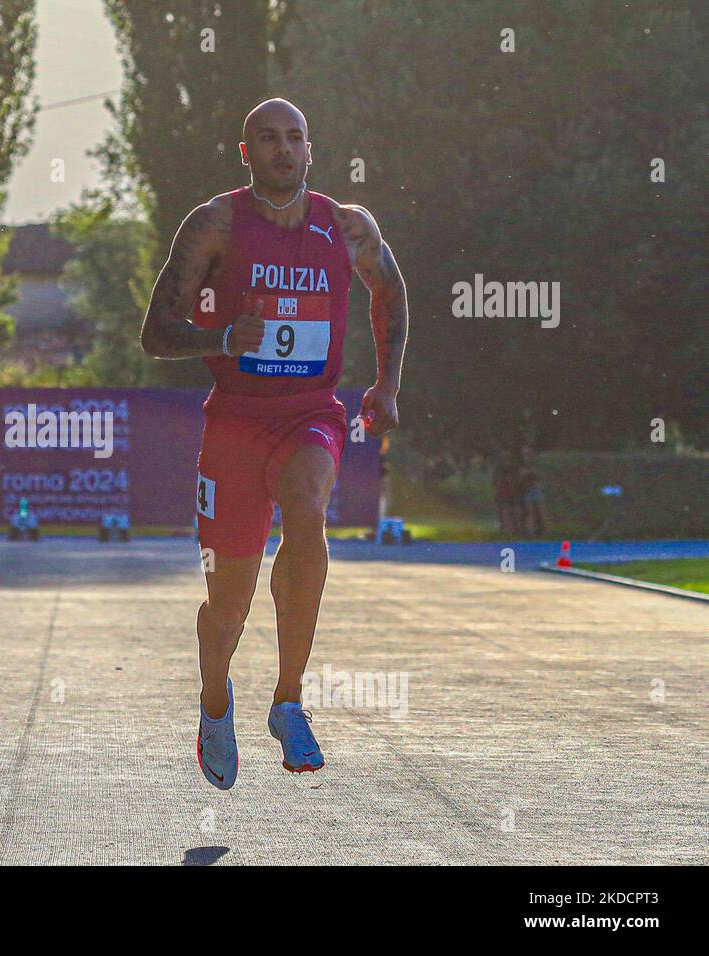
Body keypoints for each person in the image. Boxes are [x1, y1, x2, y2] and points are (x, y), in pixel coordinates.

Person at [140, 99, 408, 787]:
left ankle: (289, 699)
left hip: (310, 413)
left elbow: (391, 292)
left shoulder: (346, 228)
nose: (284, 150)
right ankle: (214, 699)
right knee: (228, 606)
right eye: (269, 138)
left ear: (310, 150)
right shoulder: (216, 224)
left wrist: (386, 384)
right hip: (233, 421)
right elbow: (157, 330)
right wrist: (223, 338)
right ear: (246, 152)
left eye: (295, 138)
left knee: (308, 504)